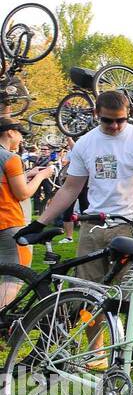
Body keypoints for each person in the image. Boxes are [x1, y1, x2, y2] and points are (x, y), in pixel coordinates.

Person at [26, 90, 133, 366]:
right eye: (108, 121)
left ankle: (130, 352)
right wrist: (40, 222)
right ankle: (96, 352)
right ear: (95, 114)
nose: (114, 126)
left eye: (120, 121)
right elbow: (71, 187)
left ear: (129, 116)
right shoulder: (86, 144)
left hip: (131, 227)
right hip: (93, 227)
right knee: (89, 294)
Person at [0, 119, 54, 295]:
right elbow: (22, 193)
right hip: (9, 222)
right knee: (13, 278)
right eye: (20, 134)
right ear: (10, 132)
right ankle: (3, 319)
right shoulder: (11, 158)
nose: (22, 139)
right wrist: (42, 176)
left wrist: (28, 174)